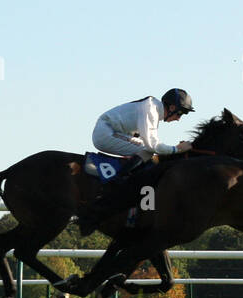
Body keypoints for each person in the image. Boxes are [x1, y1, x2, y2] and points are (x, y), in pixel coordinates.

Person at [76, 88, 195, 235]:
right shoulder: (150, 110)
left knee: (146, 153)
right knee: (147, 150)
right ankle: (118, 182)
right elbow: (153, 146)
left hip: (112, 131)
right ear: (171, 107)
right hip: (105, 133)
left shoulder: (153, 109)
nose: (179, 118)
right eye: (180, 113)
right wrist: (177, 149)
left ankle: (129, 192)